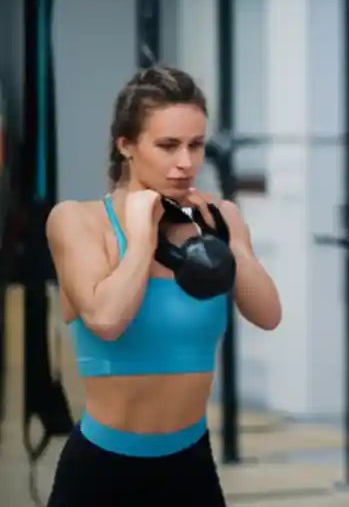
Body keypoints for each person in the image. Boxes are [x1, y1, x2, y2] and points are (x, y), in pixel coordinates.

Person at [42, 65, 282, 506]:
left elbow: (268, 315)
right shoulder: (78, 221)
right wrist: (139, 239)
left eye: (195, 145)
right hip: (102, 471)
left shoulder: (214, 221)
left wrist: (233, 236)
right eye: (168, 145)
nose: (185, 162)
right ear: (126, 145)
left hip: (190, 466)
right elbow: (107, 321)